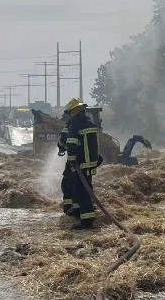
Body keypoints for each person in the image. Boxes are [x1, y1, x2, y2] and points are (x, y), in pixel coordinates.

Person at [63, 97, 99, 230]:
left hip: (81, 163)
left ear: (74, 111)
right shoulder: (90, 124)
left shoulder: (75, 124)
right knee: (86, 188)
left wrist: (72, 159)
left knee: (82, 191)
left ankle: (87, 221)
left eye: (71, 112)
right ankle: (82, 213)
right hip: (91, 163)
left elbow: (71, 143)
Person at [57, 109, 78, 217]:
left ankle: (70, 209)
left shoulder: (70, 126)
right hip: (79, 162)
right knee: (76, 185)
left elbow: (62, 142)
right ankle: (73, 209)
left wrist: (61, 148)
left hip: (73, 162)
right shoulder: (86, 125)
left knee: (67, 184)